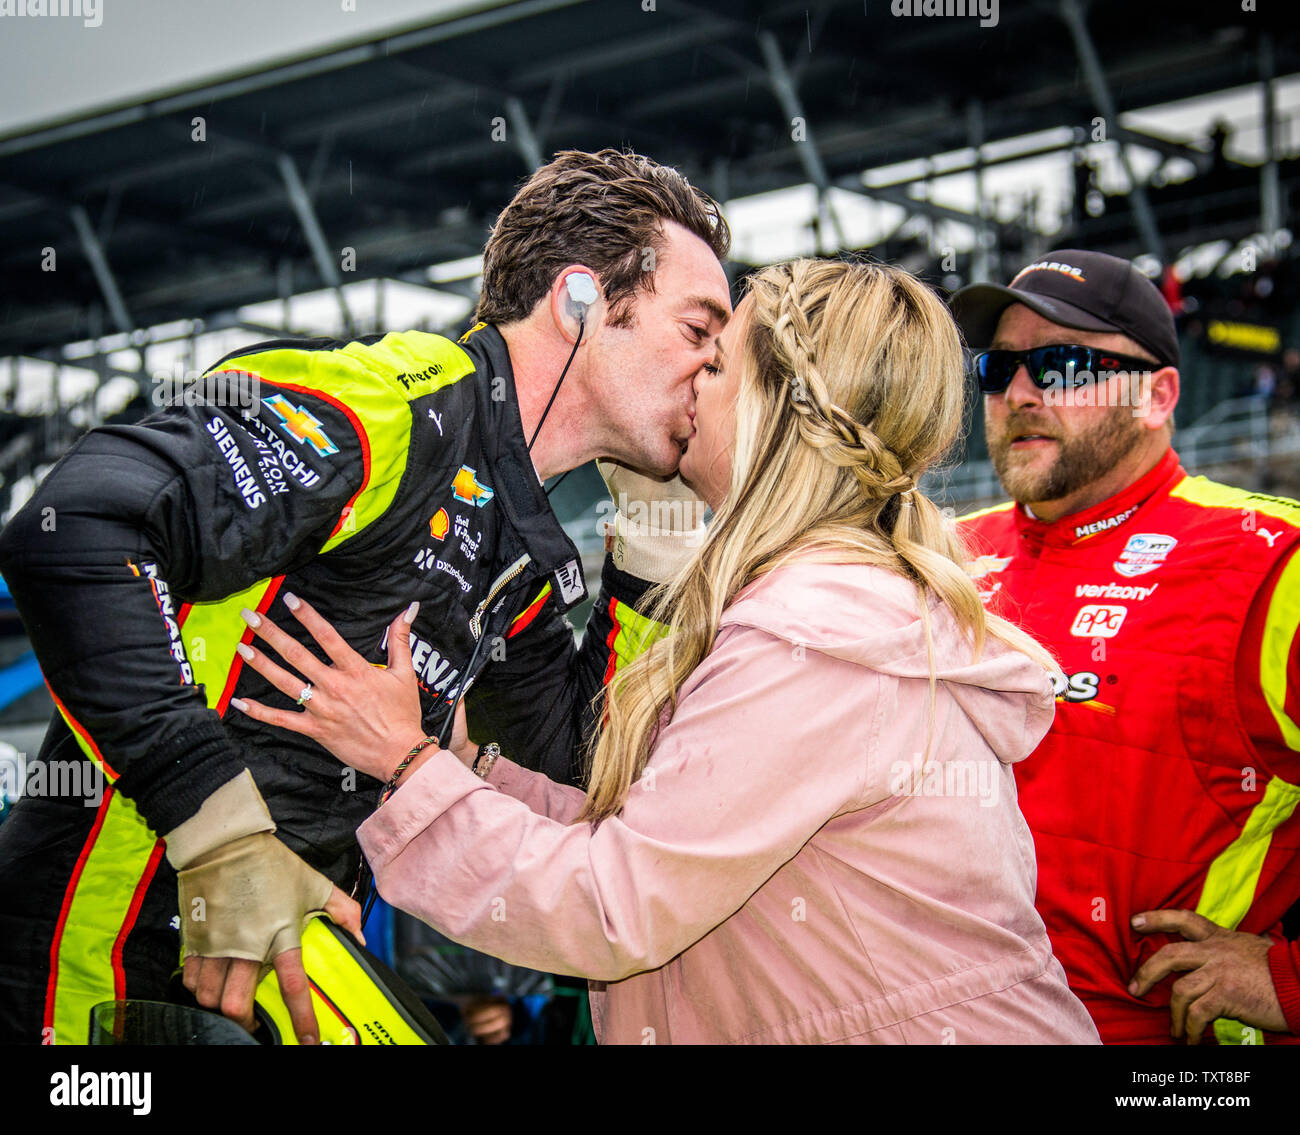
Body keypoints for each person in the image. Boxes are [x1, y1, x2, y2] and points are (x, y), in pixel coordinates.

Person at [230, 258, 1101, 1045]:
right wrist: (469, 767)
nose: (690, 383)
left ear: (777, 414)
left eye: (717, 365)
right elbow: (666, 844)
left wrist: (407, 763)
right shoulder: (837, 602)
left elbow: (613, 905)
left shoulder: (818, 634)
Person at [0, 148, 730, 1045]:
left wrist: (657, 534)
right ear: (579, 300)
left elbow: (580, 762)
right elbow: (75, 527)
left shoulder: (517, 534)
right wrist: (218, 830)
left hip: (270, 993)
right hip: (91, 988)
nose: (715, 368)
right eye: (699, 330)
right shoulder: (388, 405)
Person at [950, 248, 1300, 1045]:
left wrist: (1285, 980)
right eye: (999, 368)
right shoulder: (941, 558)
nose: (1023, 393)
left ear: (1159, 394)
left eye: (1065, 365)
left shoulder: (1270, 557)